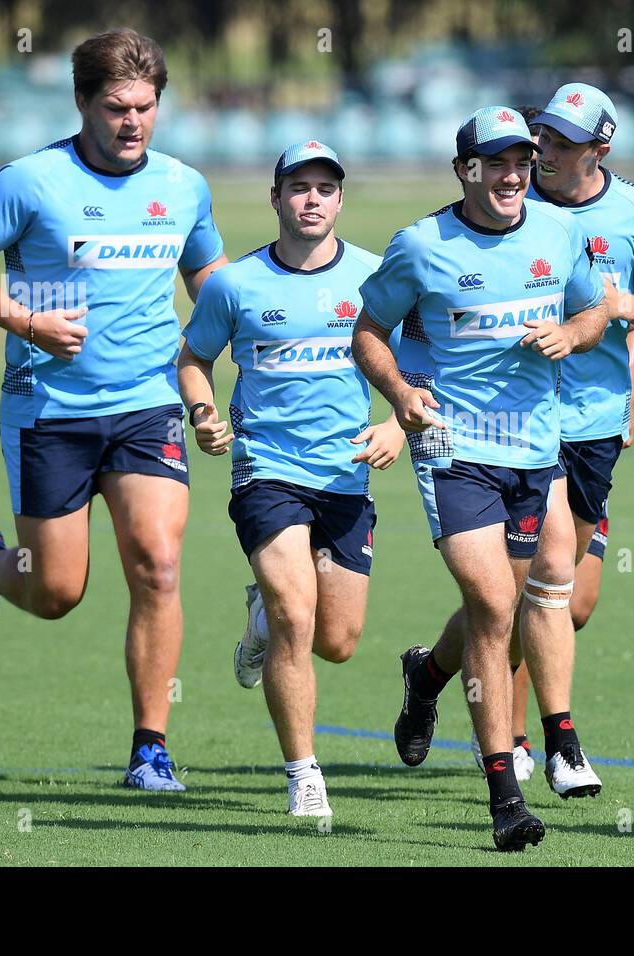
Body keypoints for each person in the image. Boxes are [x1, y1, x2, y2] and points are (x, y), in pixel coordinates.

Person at [0, 28, 227, 791]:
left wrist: (244, 359)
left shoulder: (183, 186)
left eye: (146, 106)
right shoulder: (30, 182)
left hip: (147, 405)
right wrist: (23, 321)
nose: (133, 122)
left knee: (159, 567)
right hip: (49, 410)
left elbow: (212, 281)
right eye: (116, 107)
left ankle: (150, 748)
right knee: (56, 591)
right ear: (82, 103)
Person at [352, 107, 607, 851]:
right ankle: (505, 794)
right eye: (495, 163)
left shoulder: (557, 234)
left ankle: (427, 675)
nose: (512, 175)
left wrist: (571, 333)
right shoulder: (421, 246)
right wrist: (400, 396)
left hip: (535, 451)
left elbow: (594, 311)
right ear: (465, 169)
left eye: (522, 162)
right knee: (496, 606)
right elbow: (367, 330)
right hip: (453, 448)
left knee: (520, 602)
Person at [178, 141, 403, 817]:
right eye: (298, 187)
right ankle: (304, 773)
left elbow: (418, 360)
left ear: (340, 200)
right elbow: (192, 358)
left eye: (325, 188)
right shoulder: (233, 284)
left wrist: (398, 421)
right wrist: (203, 413)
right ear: (275, 198)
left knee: (337, 640)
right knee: (294, 615)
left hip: (346, 477)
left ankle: (260, 622)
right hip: (266, 472)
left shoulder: (375, 275)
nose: (312, 199)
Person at [490, 85, 634, 792]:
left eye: (562, 142)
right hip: (512, 422)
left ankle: (429, 672)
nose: (542, 150)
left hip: (593, 424)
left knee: (570, 601)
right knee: (530, 585)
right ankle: (526, 741)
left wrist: (620, 308)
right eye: (542, 134)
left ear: (598, 150)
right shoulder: (510, 200)